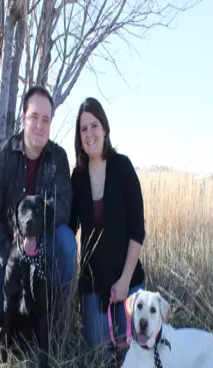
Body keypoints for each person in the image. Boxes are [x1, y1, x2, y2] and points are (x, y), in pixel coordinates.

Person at [0, 86, 76, 327]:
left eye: (46, 119)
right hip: (5, 247)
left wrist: (33, 227)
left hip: (43, 243)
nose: (40, 125)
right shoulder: (3, 156)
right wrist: (10, 252)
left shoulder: (58, 157)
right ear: (23, 118)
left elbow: (63, 206)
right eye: (34, 117)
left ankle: (54, 320)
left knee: (67, 241)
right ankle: (8, 324)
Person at [69, 97, 145, 349]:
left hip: (128, 279)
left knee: (133, 349)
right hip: (94, 283)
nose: (89, 133)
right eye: (83, 129)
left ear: (105, 129)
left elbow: (137, 231)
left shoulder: (123, 167)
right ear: (79, 136)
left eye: (94, 126)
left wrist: (124, 281)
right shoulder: (77, 177)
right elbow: (69, 229)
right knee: (99, 352)